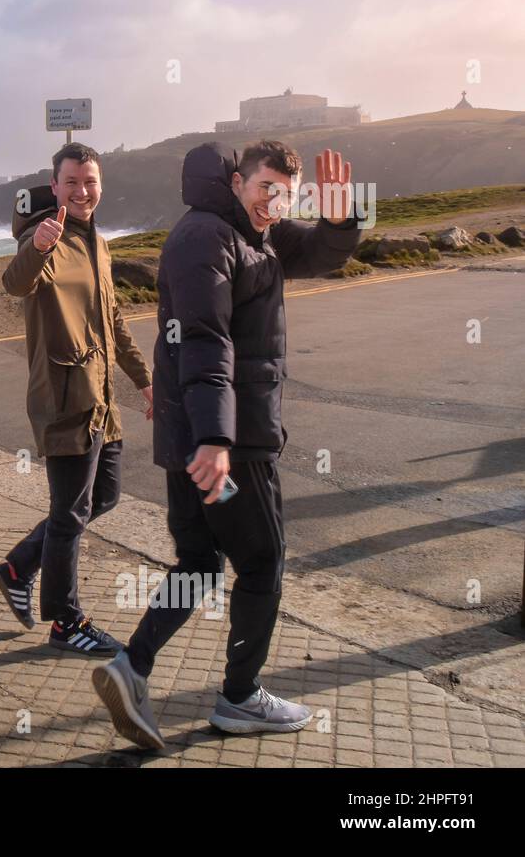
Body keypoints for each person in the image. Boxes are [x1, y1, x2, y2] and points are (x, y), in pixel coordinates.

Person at [93, 140, 360, 750]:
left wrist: (341, 219)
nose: (275, 202)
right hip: (228, 443)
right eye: (266, 187)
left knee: (201, 564)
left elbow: (321, 255)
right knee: (262, 562)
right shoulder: (206, 239)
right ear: (238, 180)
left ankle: (130, 668)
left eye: (285, 194)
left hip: (203, 437)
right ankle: (240, 699)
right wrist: (217, 438)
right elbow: (206, 342)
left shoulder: (253, 232)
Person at [0, 143, 153, 657]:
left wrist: (145, 381)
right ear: (55, 186)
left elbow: (115, 320)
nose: (83, 192)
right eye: (72, 182)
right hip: (63, 398)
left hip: (103, 398)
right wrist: (37, 245)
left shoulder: (98, 245)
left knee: (102, 497)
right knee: (70, 513)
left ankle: (19, 567)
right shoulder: (48, 240)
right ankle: (65, 620)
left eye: (90, 182)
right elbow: (14, 284)